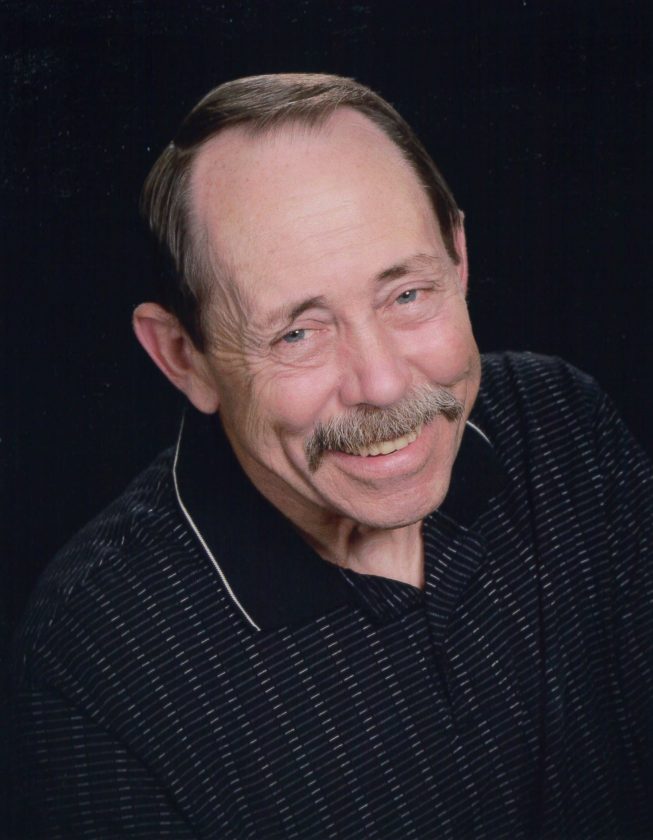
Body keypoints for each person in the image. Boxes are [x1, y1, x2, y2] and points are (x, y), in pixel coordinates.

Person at [9, 74, 651, 838]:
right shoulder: (92, 664)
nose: (382, 384)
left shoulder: (561, 423)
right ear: (184, 357)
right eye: (297, 333)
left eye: (406, 295)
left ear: (457, 259)